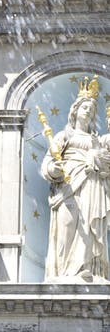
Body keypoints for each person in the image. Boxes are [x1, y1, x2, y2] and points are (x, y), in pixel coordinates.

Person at [40, 82, 110, 283]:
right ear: (75, 110)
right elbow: (47, 163)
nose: (88, 112)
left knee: (90, 227)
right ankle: (63, 272)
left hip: (92, 187)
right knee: (67, 226)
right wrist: (54, 169)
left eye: (92, 109)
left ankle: (89, 269)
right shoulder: (64, 136)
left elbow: (106, 167)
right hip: (67, 188)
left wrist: (97, 160)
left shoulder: (97, 140)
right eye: (85, 107)